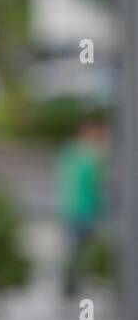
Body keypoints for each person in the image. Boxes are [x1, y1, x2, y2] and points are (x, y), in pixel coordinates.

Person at [57, 113, 110, 302]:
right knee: (80, 253)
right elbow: (95, 184)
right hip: (82, 211)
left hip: (77, 210)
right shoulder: (86, 155)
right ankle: (77, 296)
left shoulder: (72, 153)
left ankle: (74, 293)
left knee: (77, 253)